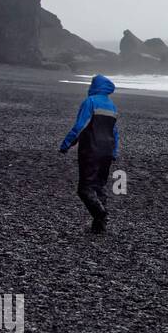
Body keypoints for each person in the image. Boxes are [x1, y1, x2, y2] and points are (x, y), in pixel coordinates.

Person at [59, 75, 120, 234]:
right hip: (107, 151)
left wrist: (67, 144)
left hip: (91, 150)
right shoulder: (112, 106)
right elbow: (114, 132)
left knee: (84, 189)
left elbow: (81, 125)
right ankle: (99, 226)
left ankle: (100, 214)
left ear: (95, 86)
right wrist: (114, 151)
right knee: (99, 186)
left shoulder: (91, 102)